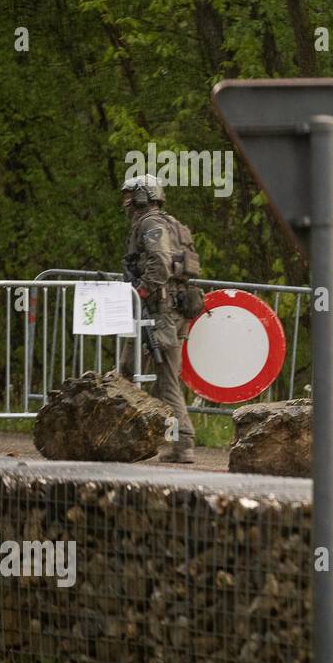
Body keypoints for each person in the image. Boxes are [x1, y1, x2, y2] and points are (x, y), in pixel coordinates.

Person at [119, 174, 203, 462]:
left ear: (143, 196)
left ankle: (174, 443)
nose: (126, 202)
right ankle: (178, 443)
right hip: (172, 310)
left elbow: (160, 262)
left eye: (130, 195)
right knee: (156, 377)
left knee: (137, 375)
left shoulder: (151, 224)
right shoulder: (166, 223)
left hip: (160, 311)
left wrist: (143, 289)